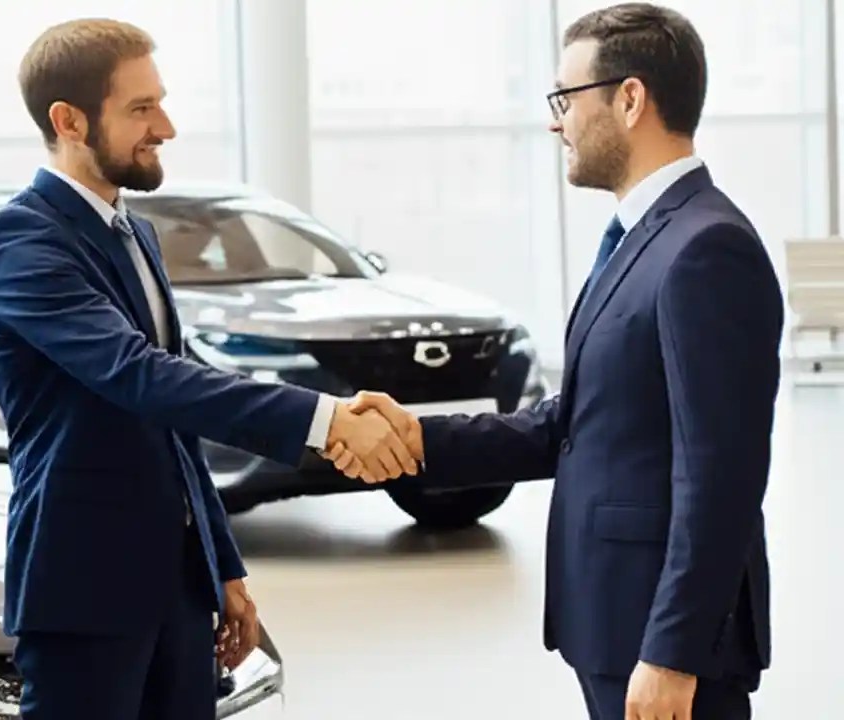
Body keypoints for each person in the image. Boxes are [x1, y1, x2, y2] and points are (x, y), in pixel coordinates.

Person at [327, 4, 782, 719]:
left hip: (658, 640)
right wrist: (416, 438)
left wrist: (673, 651)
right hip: (612, 618)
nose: (554, 121)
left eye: (564, 98)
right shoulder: (640, 238)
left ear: (629, 99)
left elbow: (721, 476)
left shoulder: (705, 249)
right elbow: (572, 424)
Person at [0, 18, 415, 720]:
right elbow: (139, 374)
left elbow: (170, 420)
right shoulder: (22, 238)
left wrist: (222, 566)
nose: (166, 127)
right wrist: (325, 419)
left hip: (177, 588)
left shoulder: (135, 232)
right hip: (84, 590)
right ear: (69, 120)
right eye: (141, 108)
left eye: (162, 101)